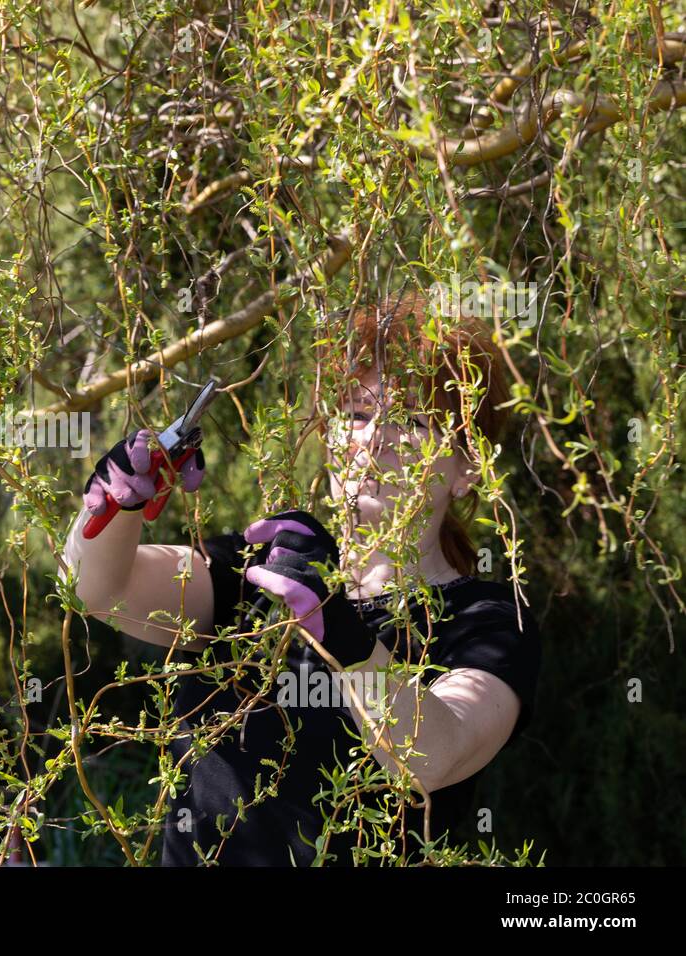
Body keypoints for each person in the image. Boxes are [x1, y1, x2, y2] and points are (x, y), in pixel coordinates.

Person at [62, 290, 543, 866]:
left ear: (468, 468)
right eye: (358, 415)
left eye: (410, 419)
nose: (373, 438)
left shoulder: (487, 620)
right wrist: (114, 506)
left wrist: (339, 629)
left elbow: (433, 757)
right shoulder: (259, 569)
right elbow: (95, 590)